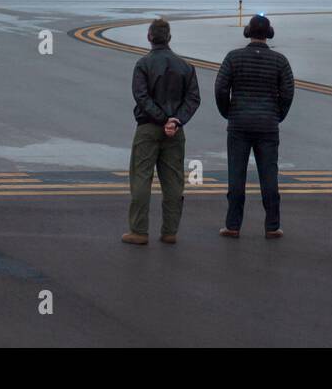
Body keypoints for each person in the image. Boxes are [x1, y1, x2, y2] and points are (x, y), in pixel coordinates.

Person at [214, 14, 294, 239]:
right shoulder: (280, 60)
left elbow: (221, 88)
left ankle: (233, 225)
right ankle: (272, 226)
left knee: (236, 175)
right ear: (269, 34)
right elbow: (288, 92)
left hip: (238, 124)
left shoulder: (233, 57)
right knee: (269, 175)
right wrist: (277, 115)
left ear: (247, 32)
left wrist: (228, 112)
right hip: (268, 125)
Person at [122, 18, 200, 246]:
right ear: (169, 38)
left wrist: (161, 118)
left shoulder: (143, 64)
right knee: (174, 181)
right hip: (175, 131)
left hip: (148, 128)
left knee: (141, 178)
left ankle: (139, 230)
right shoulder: (186, 66)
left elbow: (141, 96)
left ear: (149, 37)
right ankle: (169, 231)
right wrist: (175, 120)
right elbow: (193, 99)